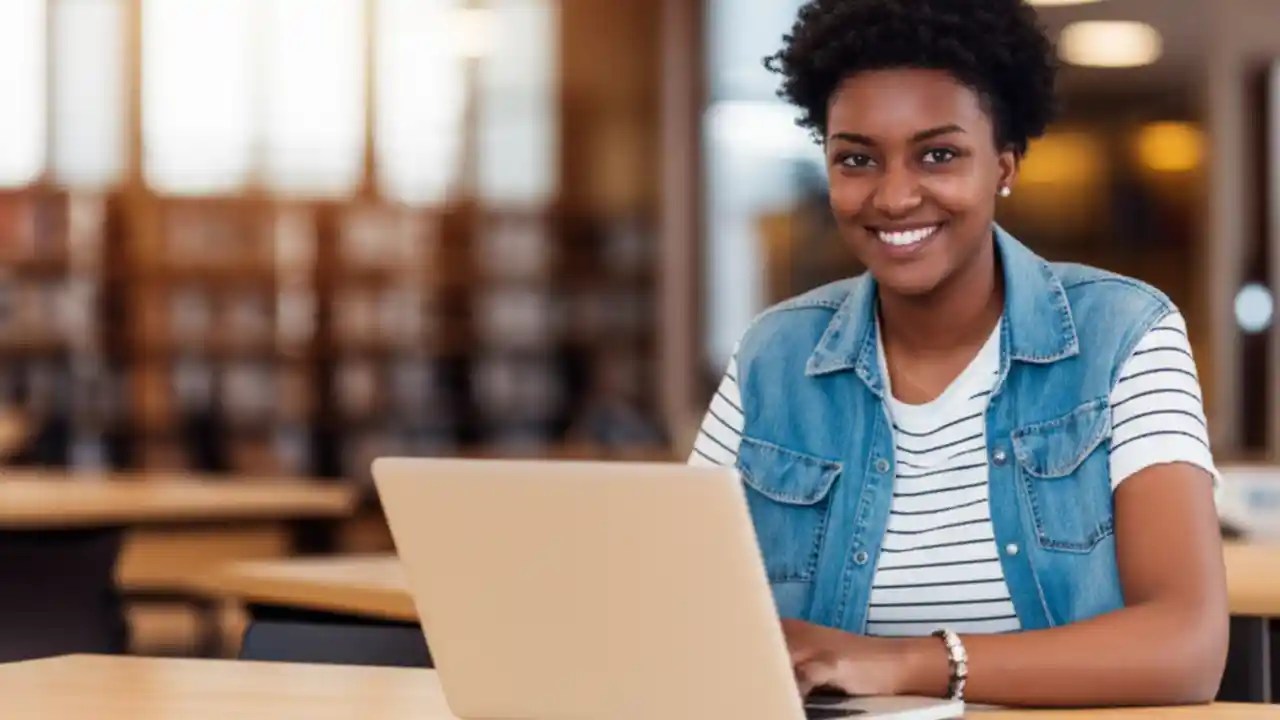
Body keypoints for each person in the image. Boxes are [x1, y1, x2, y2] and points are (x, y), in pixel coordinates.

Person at [689, 0, 1227, 707]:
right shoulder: (775, 355)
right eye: (857, 159)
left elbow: (1184, 646)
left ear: (1004, 164)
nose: (895, 195)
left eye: (938, 155)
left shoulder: (1125, 334)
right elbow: (681, 611)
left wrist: (905, 663)